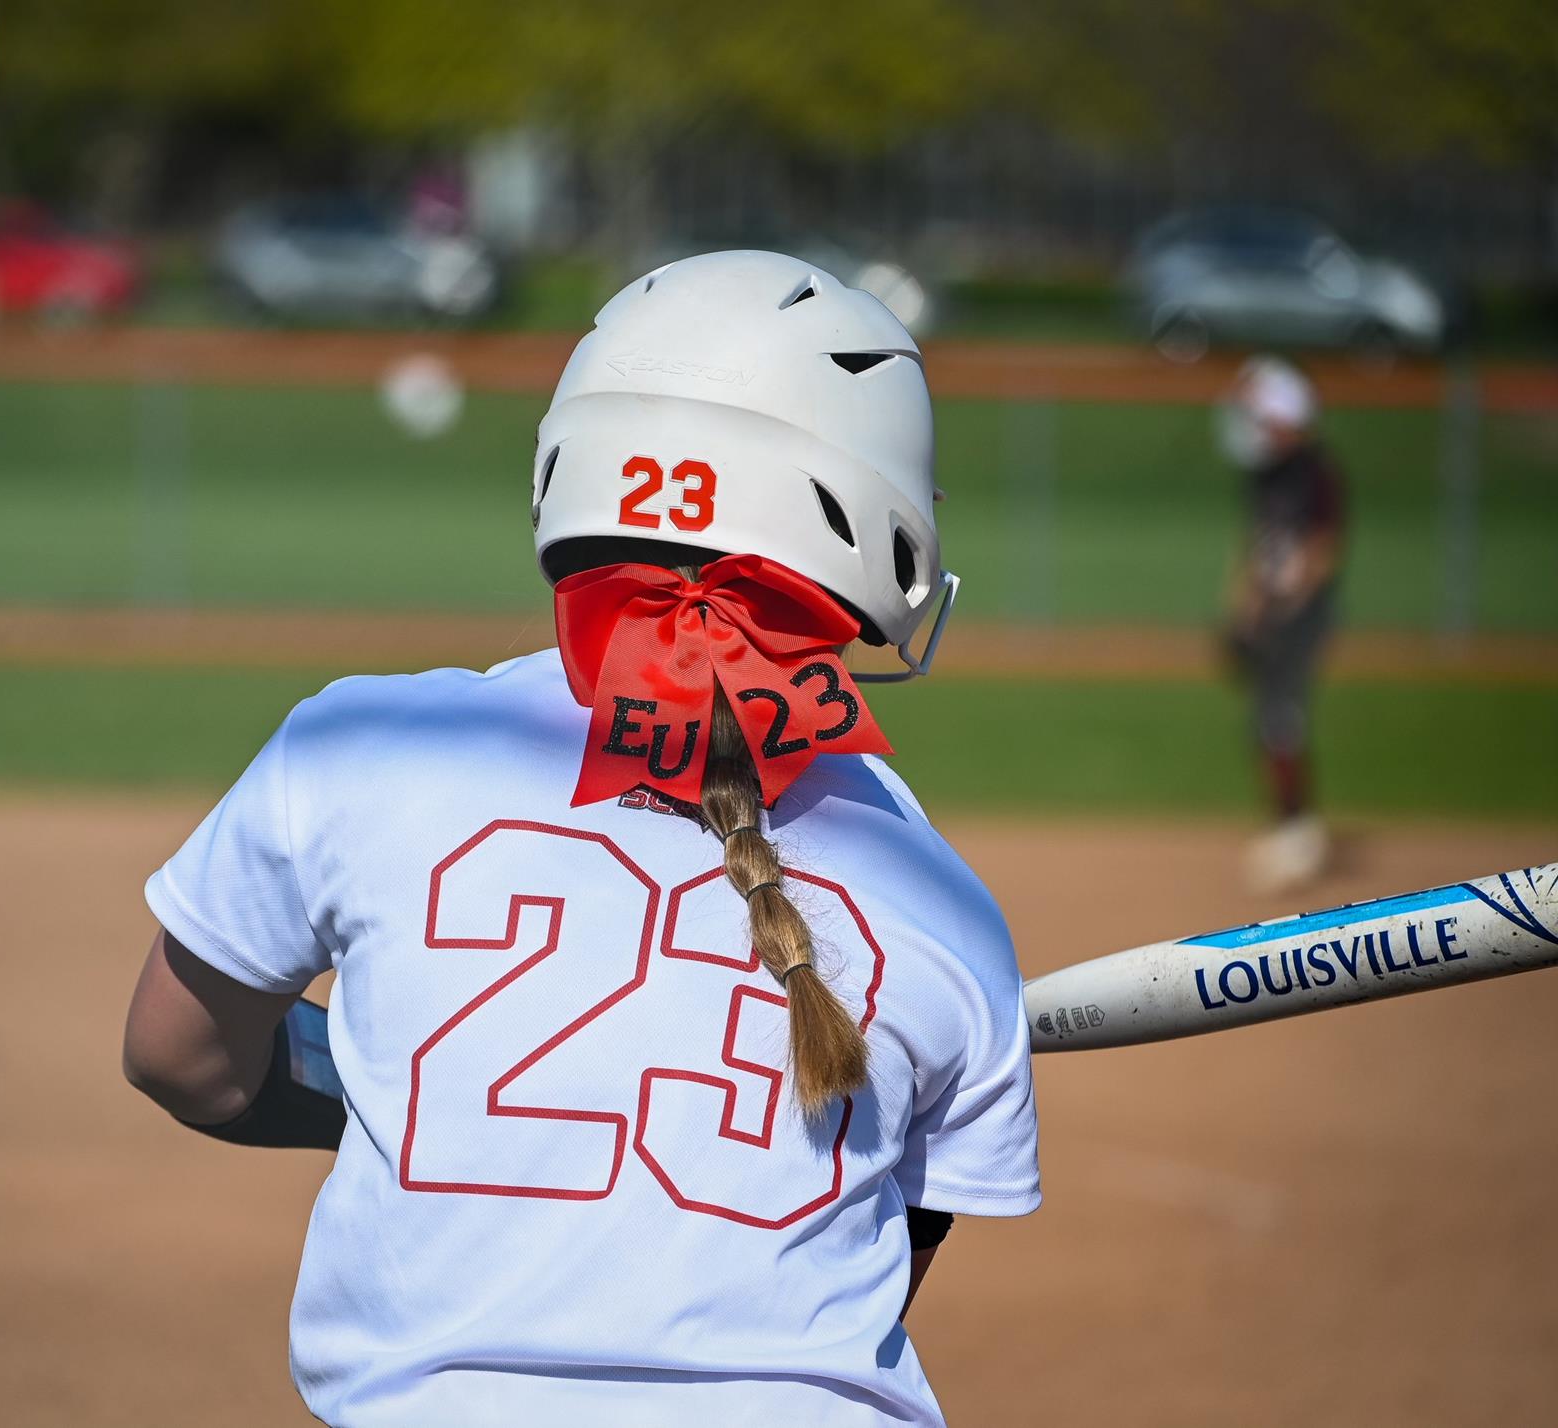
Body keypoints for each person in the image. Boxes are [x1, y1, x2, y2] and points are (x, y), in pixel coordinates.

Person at [123, 251, 1040, 1426]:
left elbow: (177, 1055)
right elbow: (862, 1266)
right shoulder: (941, 900)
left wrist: (398, 1082)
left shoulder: (356, 744)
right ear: (878, 529)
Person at [1218, 356, 1346, 893]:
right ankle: (1291, 826)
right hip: (1272, 612)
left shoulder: (1318, 474)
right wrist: (1243, 609)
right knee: (1269, 720)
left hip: (1300, 616)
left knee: (1281, 717)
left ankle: (1298, 834)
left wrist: (1285, 609)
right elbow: (1258, 547)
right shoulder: (1266, 475)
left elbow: (1322, 551)